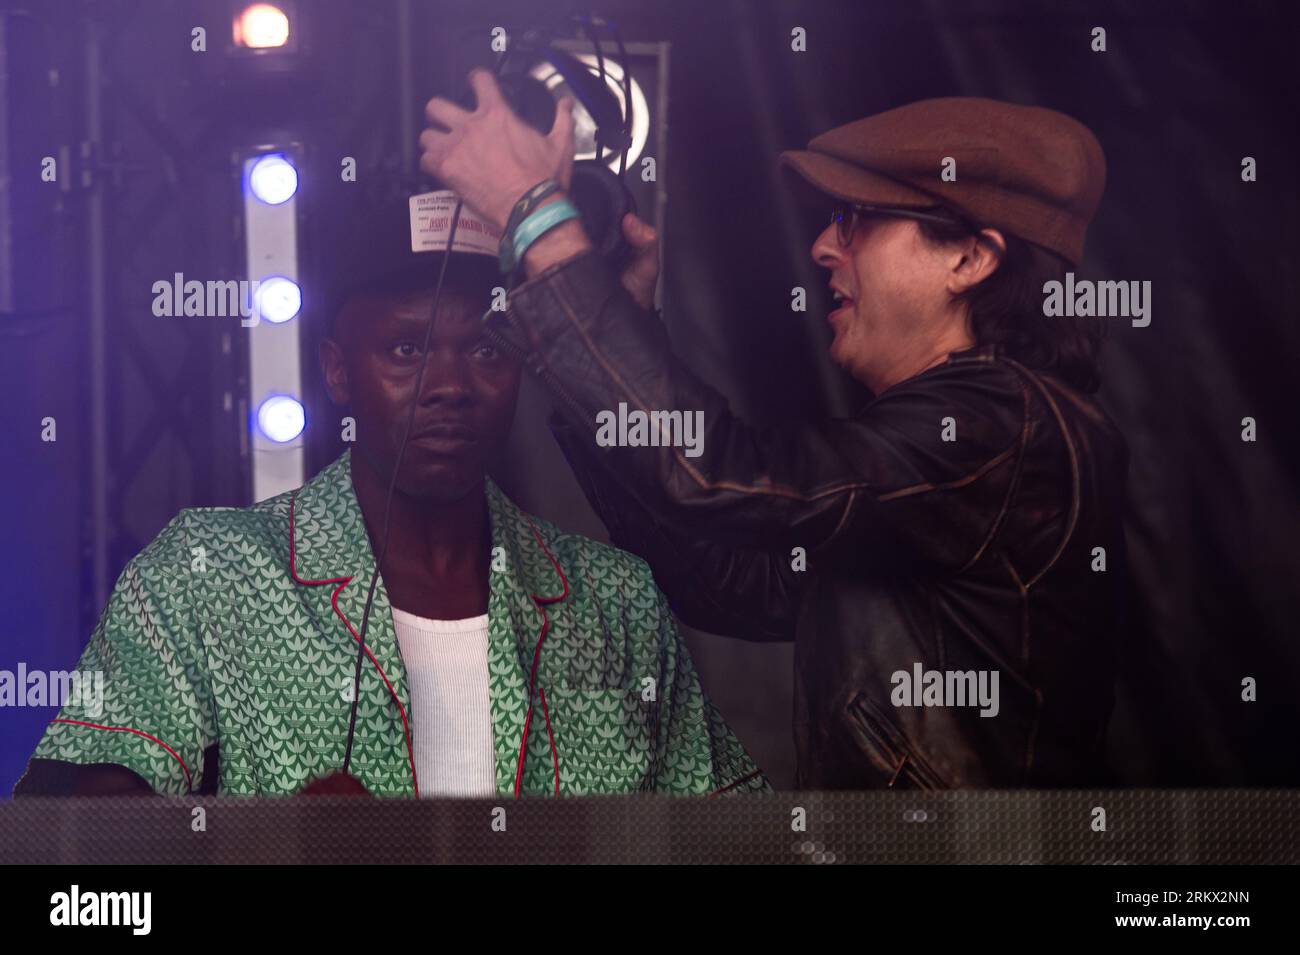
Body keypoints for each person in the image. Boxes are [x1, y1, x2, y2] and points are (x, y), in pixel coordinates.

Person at [418, 73, 1129, 787]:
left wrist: (538, 221)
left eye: (855, 220)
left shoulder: (1003, 426)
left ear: (970, 258)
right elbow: (726, 581)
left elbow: (712, 472)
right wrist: (611, 330)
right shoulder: (969, 440)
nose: (824, 246)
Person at [13, 198, 767, 798]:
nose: (450, 387)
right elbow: (79, 851)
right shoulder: (207, 573)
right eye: (406, 349)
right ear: (338, 372)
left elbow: (742, 843)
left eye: (487, 350)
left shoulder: (614, 598)